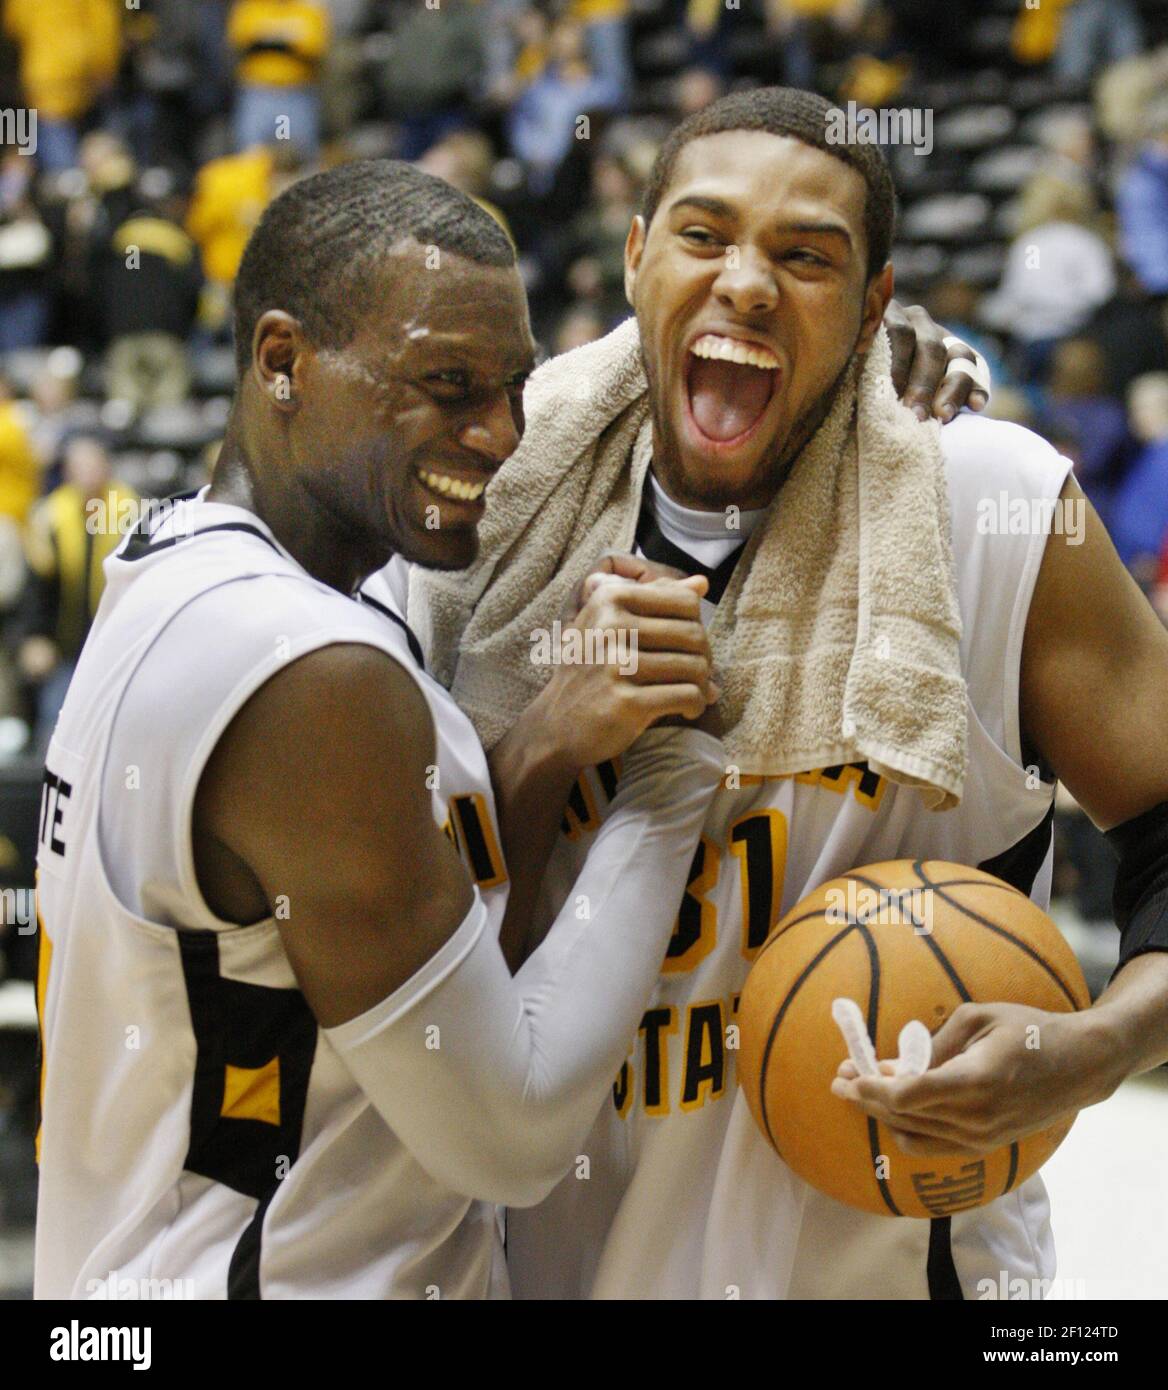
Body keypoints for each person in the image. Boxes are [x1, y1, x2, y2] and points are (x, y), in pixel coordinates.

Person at [407, 87, 1168, 1299]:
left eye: (806, 256)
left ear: (875, 308)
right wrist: (548, 737)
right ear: (635, 256)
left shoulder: (985, 505)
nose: (749, 284)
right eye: (704, 236)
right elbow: (414, 965)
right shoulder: (487, 528)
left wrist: (1093, 1046)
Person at [33, 159, 729, 1300]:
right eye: (447, 383)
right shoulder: (313, 676)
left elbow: (403, 963)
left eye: (513, 386)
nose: (503, 434)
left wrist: (550, 739)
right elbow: (505, 1132)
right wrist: (668, 781)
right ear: (281, 362)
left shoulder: (174, 568)